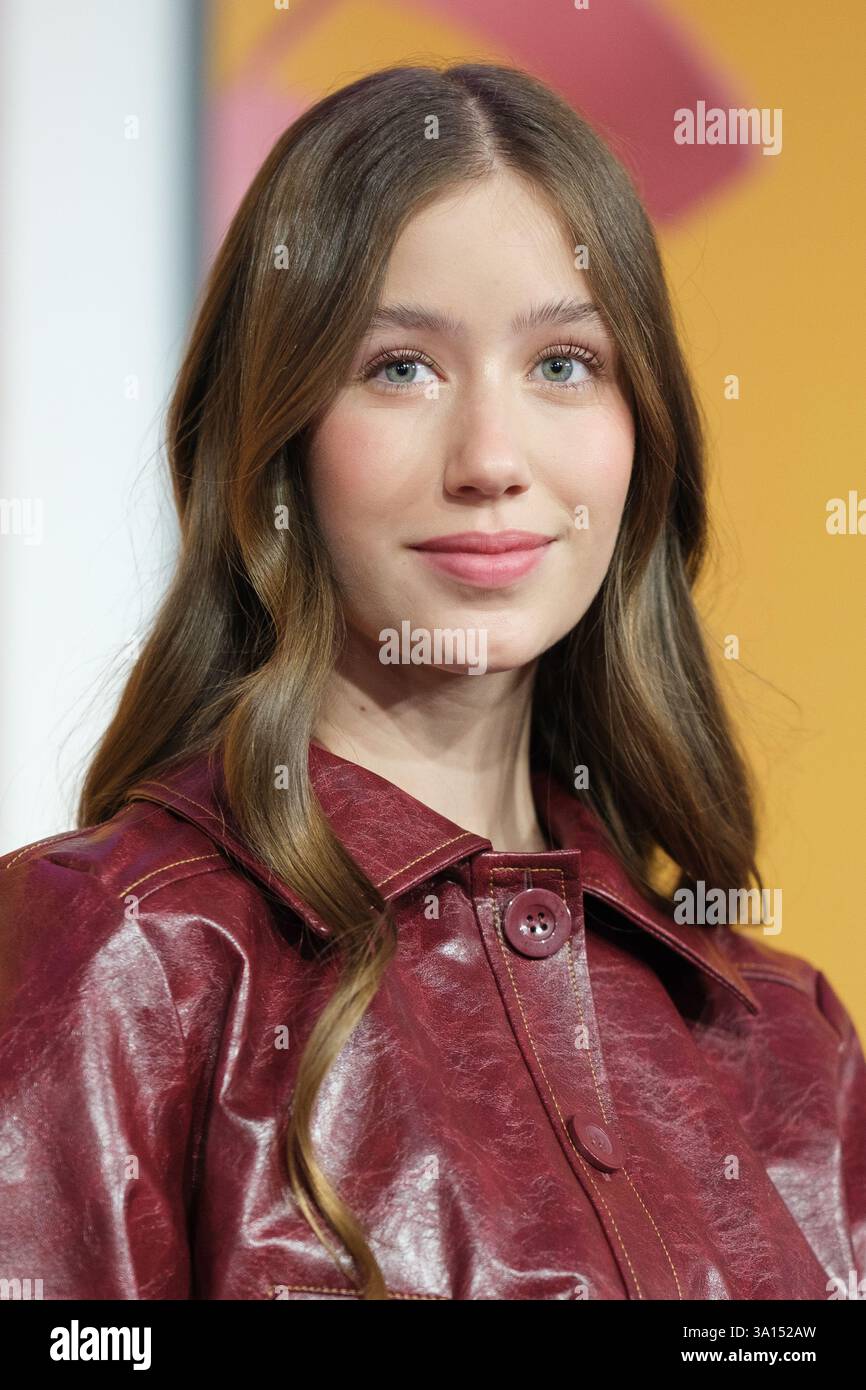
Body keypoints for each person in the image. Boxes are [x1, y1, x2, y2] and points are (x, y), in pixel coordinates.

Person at [0, 62, 863, 1302]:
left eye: (564, 362)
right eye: (400, 367)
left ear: (642, 435)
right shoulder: (123, 955)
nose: (492, 459)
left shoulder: (780, 1039)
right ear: (275, 440)